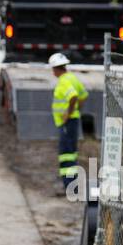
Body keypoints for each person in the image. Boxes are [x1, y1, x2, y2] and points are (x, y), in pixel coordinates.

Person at [50, 51, 88, 193]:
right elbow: (83, 95)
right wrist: (77, 109)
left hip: (67, 123)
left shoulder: (64, 81)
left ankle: (70, 187)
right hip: (72, 122)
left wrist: (69, 112)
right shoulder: (72, 77)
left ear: (55, 69)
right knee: (71, 153)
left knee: (66, 155)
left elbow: (73, 96)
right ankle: (73, 186)